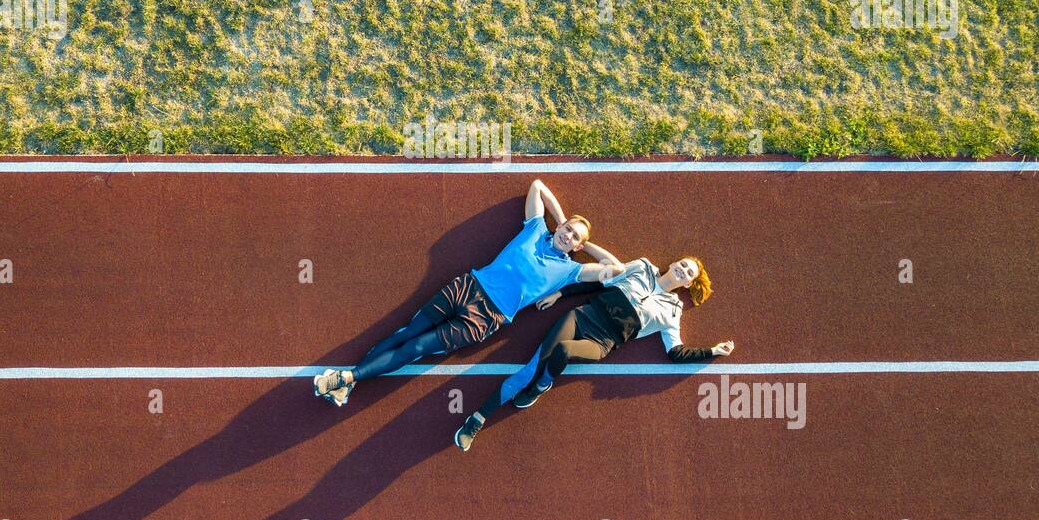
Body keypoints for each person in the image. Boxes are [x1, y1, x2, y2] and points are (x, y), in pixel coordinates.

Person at [314, 179, 618, 406]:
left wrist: (584, 245)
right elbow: (538, 186)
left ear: (577, 247)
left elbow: (614, 267)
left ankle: (348, 378)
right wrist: (564, 219)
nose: (567, 235)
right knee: (406, 331)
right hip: (466, 287)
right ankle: (348, 381)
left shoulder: (570, 271)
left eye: (574, 237)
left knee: (418, 347)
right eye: (567, 229)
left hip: (486, 318)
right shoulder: (536, 229)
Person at [453, 253, 735, 450]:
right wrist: (561, 294)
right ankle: (476, 420)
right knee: (529, 367)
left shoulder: (673, 310)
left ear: (688, 284)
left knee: (562, 352)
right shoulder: (643, 267)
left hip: (603, 342)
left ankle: (541, 385)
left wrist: (712, 351)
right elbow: (601, 279)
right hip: (581, 317)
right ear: (674, 262)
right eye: (683, 264)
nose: (683, 270)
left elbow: (675, 351)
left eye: (689, 273)